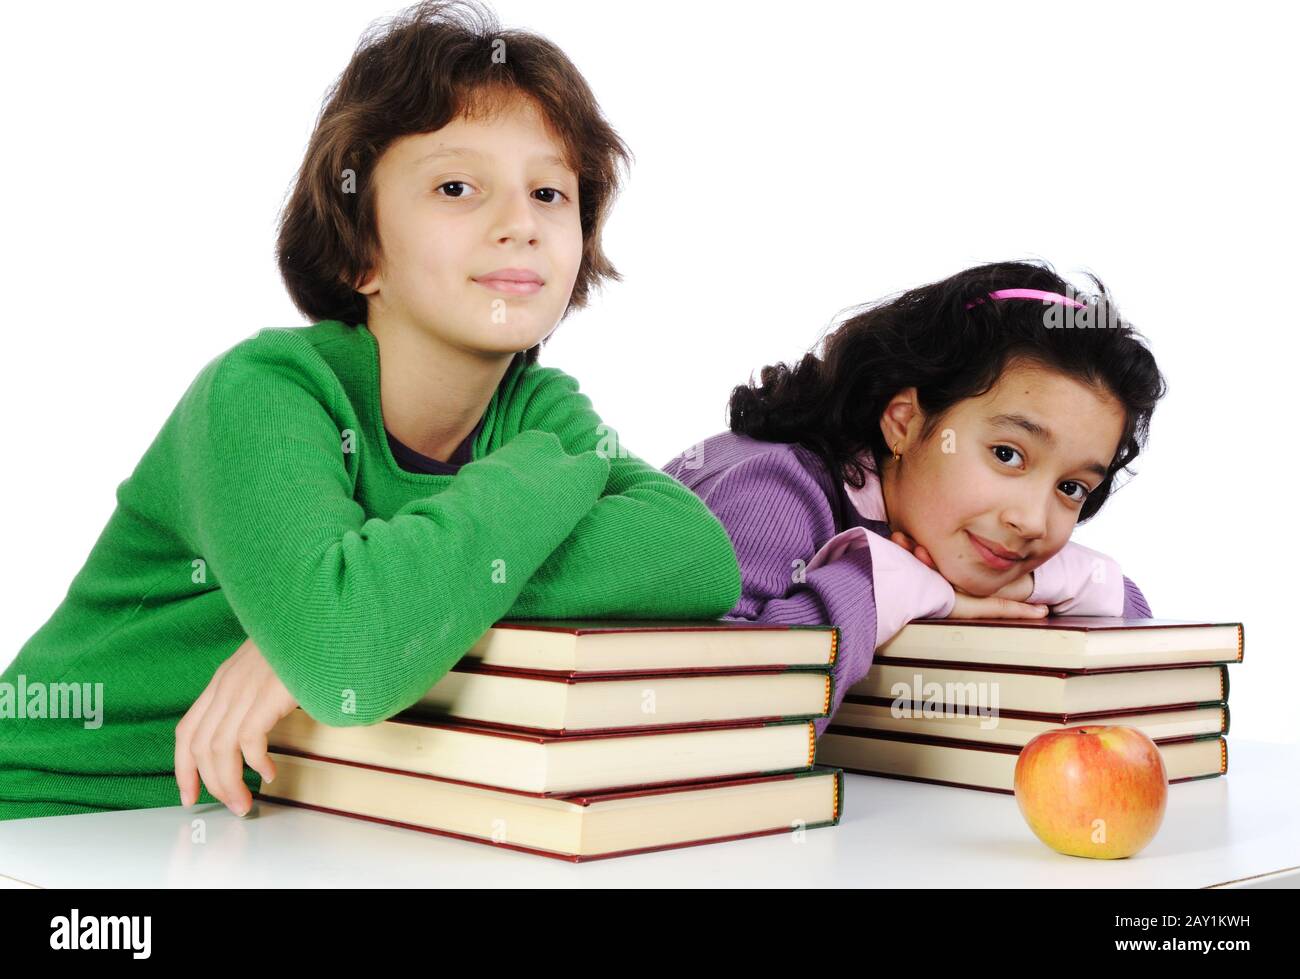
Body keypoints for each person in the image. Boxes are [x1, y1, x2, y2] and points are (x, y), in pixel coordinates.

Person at [0, 0, 741, 821]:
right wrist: (340, 618)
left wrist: (360, 615)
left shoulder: (538, 409)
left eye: (549, 192)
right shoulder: (263, 393)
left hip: (282, 822)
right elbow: (348, 650)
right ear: (361, 252)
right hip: (58, 818)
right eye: (458, 187)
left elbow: (696, 556)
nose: (520, 224)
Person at [663, 259, 1167, 736]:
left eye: (1071, 487)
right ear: (904, 421)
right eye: (1008, 454)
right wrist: (878, 582)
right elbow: (712, 720)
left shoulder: (946, 530)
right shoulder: (776, 493)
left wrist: (1040, 580)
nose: (1033, 521)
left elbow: (1137, 629)